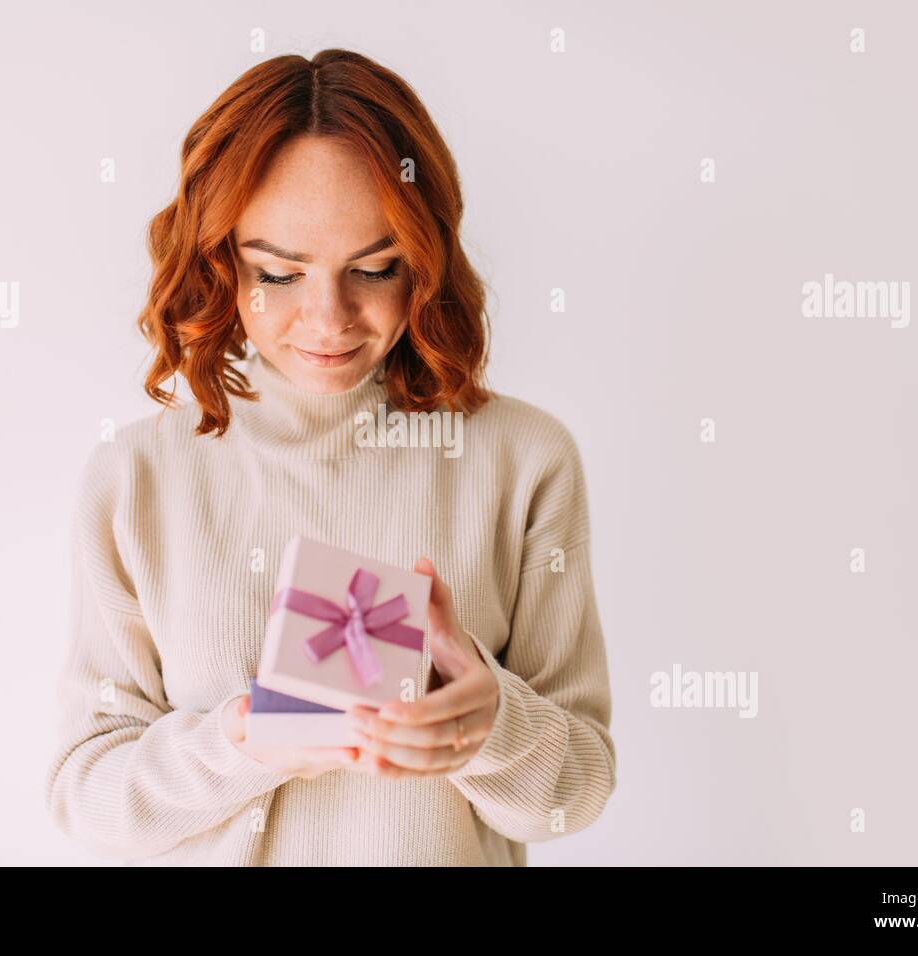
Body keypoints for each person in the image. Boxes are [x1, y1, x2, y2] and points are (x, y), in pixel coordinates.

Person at [44, 49, 615, 866]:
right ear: (218, 261)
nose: (329, 319)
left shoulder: (524, 460)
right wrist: (241, 743)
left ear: (426, 256)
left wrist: (496, 728)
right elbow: (84, 794)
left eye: (375, 269)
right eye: (278, 272)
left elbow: (579, 791)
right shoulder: (137, 479)